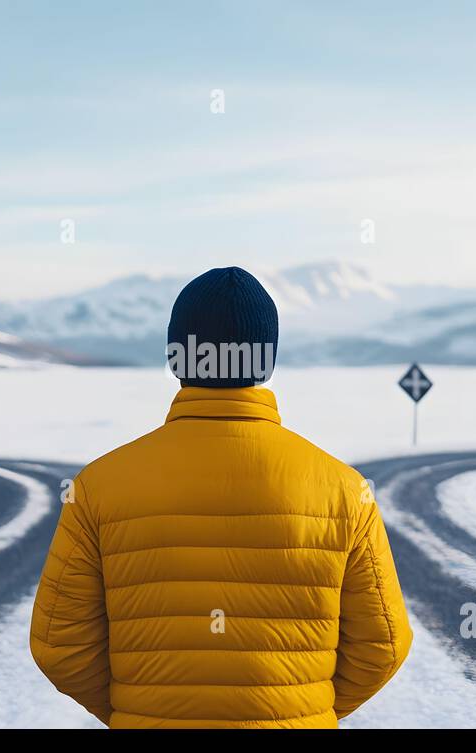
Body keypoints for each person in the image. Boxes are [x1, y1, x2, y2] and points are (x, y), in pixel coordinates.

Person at [30, 266, 412, 728]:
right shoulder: (345, 491)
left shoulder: (99, 485)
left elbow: (59, 644)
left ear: (177, 358)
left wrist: (137, 711)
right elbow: (384, 644)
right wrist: (305, 711)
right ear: (266, 362)